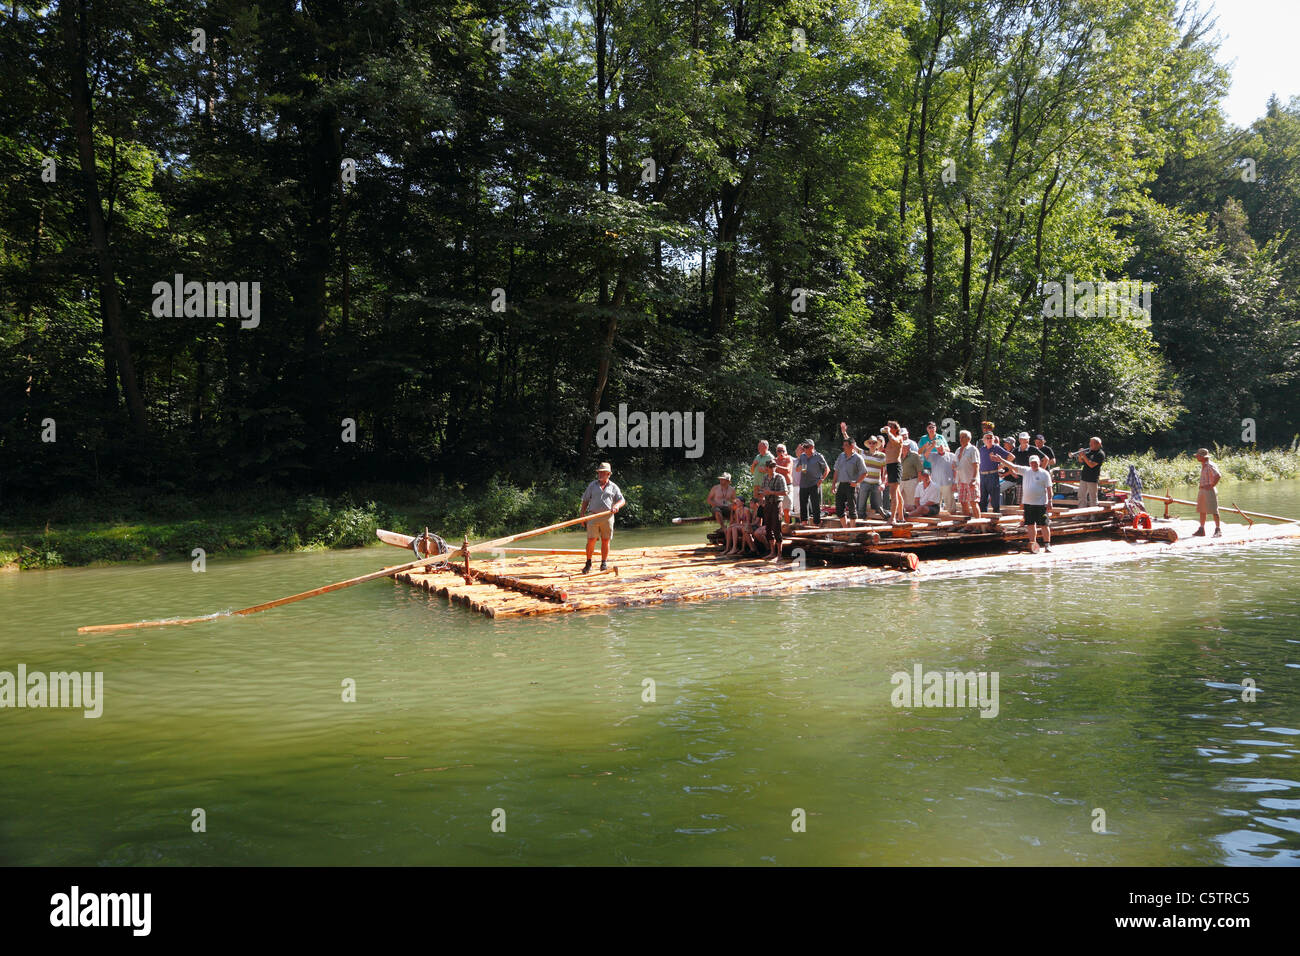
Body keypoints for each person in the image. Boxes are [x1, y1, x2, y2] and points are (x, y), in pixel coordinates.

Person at [579, 462, 626, 573]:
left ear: (608, 474)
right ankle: (588, 563)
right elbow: (585, 500)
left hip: (607, 517)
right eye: (599, 472)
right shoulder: (592, 485)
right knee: (591, 540)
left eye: (603, 473)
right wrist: (582, 515)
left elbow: (622, 500)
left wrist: (616, 505)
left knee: (605, 540)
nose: (600, 475)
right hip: (593, 516)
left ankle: (603, 563)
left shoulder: (613, 487)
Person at [1001, 454, 1053, 553]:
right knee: (1030, 524)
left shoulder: (1044, 473)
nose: (1034, 464)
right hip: (1028, 504)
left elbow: (1049, 488)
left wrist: (1050, 501)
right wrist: (1000, 459)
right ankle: (1033, 544)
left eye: (1036, 463)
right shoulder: (1026, 470)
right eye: (1032, 463)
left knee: (1044, 525)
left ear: (1039, 463)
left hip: (1041, 504)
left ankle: (1047, 545)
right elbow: (1012, 466)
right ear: (1029, 463)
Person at [754, 462, 789, 562]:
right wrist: (761, 494)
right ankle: (772, 552)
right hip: (768, 504)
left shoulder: (780, 477)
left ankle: (779, 554)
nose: (772, 468)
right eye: (770, 467)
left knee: (776, 528)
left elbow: (785, 492)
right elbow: (763, 490)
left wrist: (771, 492)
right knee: (768, 528)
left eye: (774, 466)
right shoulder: (765, 477)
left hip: (777, 503)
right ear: (767, 468)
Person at [832, 437, 867, 527]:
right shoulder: (841, 456)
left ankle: (852, 532)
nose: (843, 447)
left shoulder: (858, 458)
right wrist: (833, 484)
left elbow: (864, 473)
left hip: (852, 485)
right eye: (843, 445)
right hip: (841, 484)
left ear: (852, 446)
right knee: (839, 508)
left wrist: (856, 482)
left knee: (852, 509)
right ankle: (845, 529)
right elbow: (836, 470)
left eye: (846, 445)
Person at [795, 439, 830, 526]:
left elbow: (827, 469)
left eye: (806, 447)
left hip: (814, 483)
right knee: (803, 504)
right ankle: (804, 523)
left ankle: (816, 523)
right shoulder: (802, 456)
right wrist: (803, 466)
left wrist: (821, 480)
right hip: (803, 484)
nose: (805, 449)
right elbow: (798, 469)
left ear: (812, 447)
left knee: (815, 504)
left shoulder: (818, 456)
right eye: (804, 447)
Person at [979, 432, 1010, 513]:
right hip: (982, 476)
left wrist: (1002, 465)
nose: (989, 440)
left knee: (995, 500)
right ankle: (983, 521)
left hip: (993, 475)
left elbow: (1011, 457)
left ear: (993, 439)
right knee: (982, 500)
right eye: (987, 438)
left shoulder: (996, 448)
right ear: (984, 440)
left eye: (991, 438)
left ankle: (995, 521)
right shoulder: (982, 449)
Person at [860, 435, 890, 520]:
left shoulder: (882, 456)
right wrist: (844, 432)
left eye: (874, 443)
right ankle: (859, 525)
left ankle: (880, 527)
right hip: (865, 482)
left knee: (879, 507)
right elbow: (853, 446)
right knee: (861, 506)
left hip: (877, 483)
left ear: (877, 444)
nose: (872, 444)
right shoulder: (863, 453)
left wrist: (884, 483)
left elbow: (886, 472)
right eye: (870, 443)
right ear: (868, 444)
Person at [1193, 448, 1222, 537]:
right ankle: (1202, 529)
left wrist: (1212, 485)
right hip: (1203, 489)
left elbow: (1218, 475)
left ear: (1202, 457)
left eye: (1198, 456)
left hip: (1209, 490)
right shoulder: (1204, 464)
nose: (1197, 457)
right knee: (1202, 509)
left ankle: (1218, 530)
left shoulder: (1209, 465)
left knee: (1214, 510)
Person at [954, 429, 981, 518]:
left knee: (973, 502)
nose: (961, 439)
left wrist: (974, 479)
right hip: (961, 480)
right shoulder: (958, 450)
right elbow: (955, 464)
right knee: (963, 503)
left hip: (970, 480)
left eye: (963, 437)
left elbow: (976, 465)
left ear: (968, 438)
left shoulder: (973, 449)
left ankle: (979, 525)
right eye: (960, 437)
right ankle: (968, 526)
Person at [1074, 437, 1105, 508]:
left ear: (1098, 444)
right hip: (1084, 477)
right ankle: (1081, 515)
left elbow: (1091, 465)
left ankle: (1093, 516)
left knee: (1092, 497)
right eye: (1090, 442)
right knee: (1081, 496)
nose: (1090, 444)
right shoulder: (1089, 452)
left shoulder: (1100, 454)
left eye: (1092, 443)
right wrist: (1080, 454)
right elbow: (1081, 461)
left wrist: (1084, 456)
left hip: (1092, 478)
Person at [929, 441, 957, 513]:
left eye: (941, 446)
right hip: (935, 484)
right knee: (935, 504)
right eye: (938, 447)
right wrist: (931, 446)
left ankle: (954, 519)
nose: (940, 448)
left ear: (944, 446)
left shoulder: (952, 456)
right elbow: (925, 455)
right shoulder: (932, 455)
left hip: (948, 483)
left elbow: (955, 470)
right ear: (936, 448)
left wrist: (955, 483)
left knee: (950, 504)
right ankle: (936, 519)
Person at [773, 443, 796, 523]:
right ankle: (779, 527)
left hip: (787, 486)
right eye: (778, 451)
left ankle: (788, 527)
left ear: (785, 451)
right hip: (777, 487)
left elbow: (787, 470)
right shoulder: (774, 460)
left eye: (782, 450)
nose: (780, 452)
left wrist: (776, 466)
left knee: (786, 510)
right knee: (777, 509)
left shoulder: (788, 459)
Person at [898, 441, 922, 513]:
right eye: (903, 446)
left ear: (909, 447)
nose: (904, 448)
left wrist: (919, 482)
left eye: (906, 446)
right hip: (900, 481)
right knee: (900, 501)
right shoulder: (899, 455)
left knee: (912, 502)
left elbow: (919, 470)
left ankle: (913, 516)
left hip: (911, 481)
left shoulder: (914, 455)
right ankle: (901, 516)